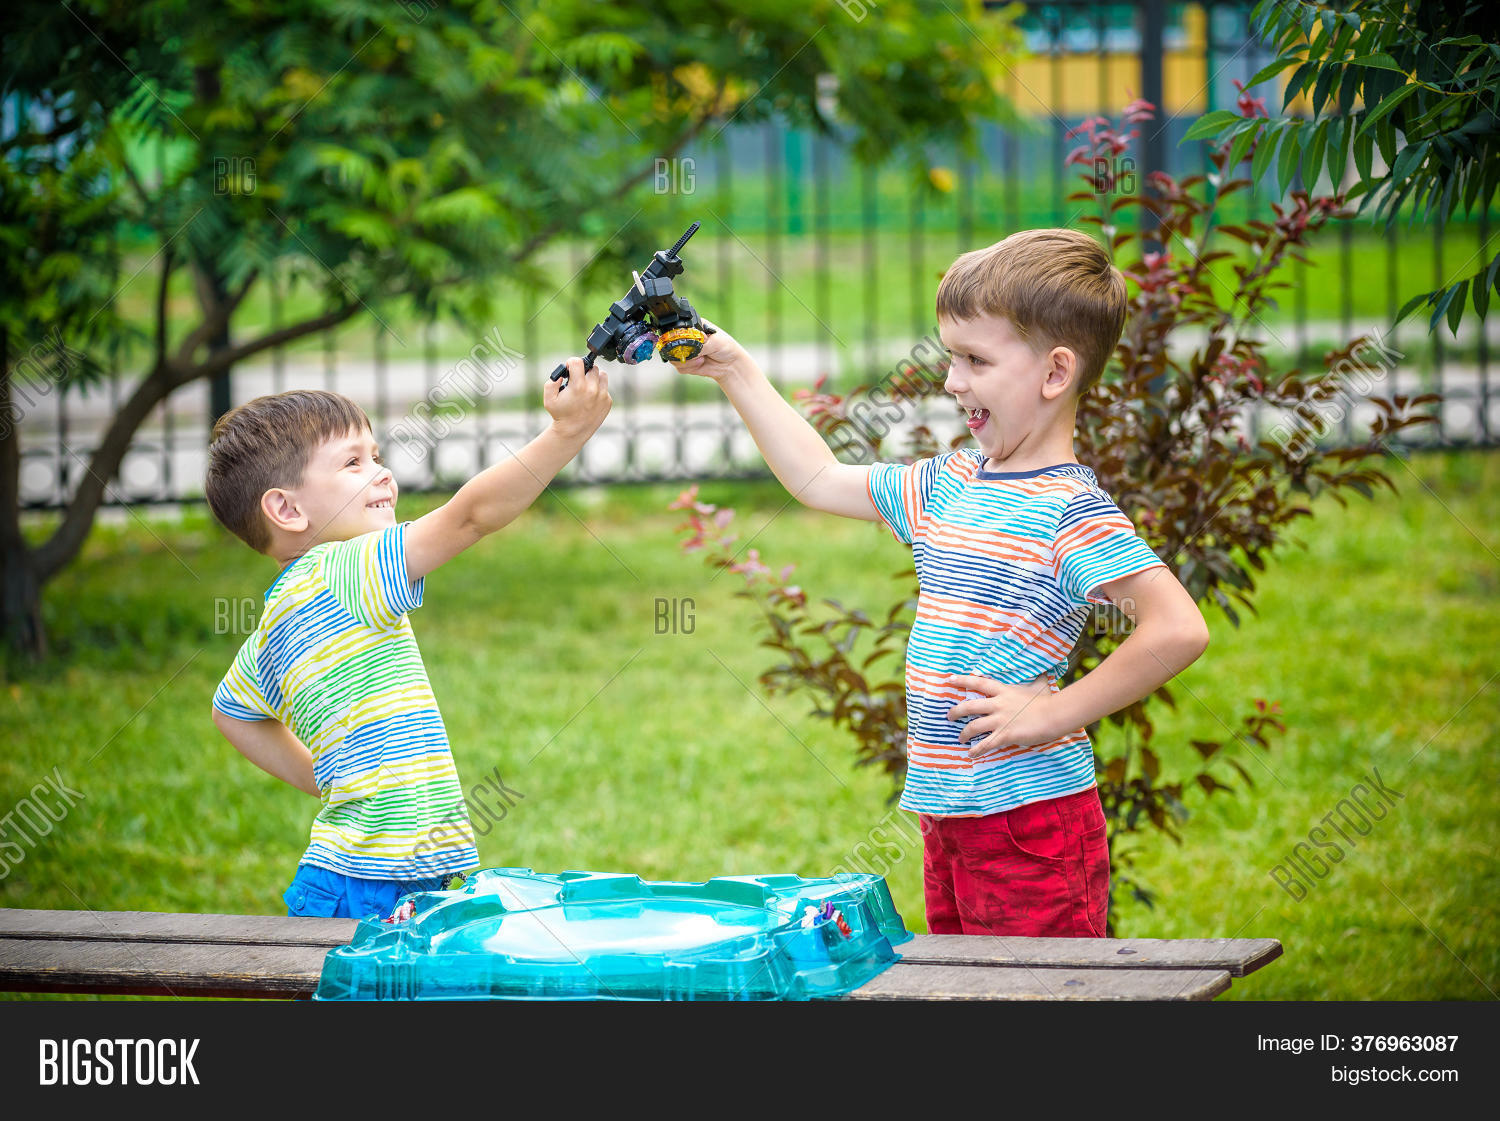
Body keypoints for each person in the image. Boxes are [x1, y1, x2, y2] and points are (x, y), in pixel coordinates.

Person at [671, 228, 1209, 936]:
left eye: (975, 359)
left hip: (1031, 824)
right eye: (952, 356)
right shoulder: (948, 482)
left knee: (1034, 992)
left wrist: (1054, 713)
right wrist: (734, 369)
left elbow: (1178, 628)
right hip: (949, 815)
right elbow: (818, 478)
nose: (953, 380)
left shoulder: (1070, 511)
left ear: (1055, 373)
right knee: (962, 983)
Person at [206, 359, 610, 918]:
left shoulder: (278, 613)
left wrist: (326, 780)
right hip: (375, 883)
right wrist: (567, 433)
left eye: (375, 456)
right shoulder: (346, 569)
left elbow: (231, 712)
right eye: (352, 462)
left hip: (352, 875)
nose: (382, 473)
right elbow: (470, 517)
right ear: (287, 509)